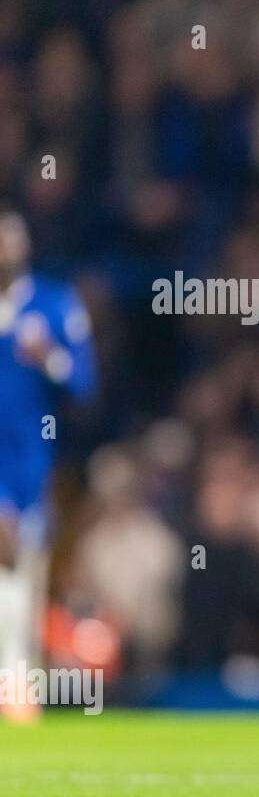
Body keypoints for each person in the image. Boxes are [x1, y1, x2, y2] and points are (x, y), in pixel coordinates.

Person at [0, 209, 97, 721]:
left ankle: (16, 678)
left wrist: (50, 358)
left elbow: (85, 385)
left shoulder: (54, 305)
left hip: (29, 462)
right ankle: (13, 681)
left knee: (22, 571)